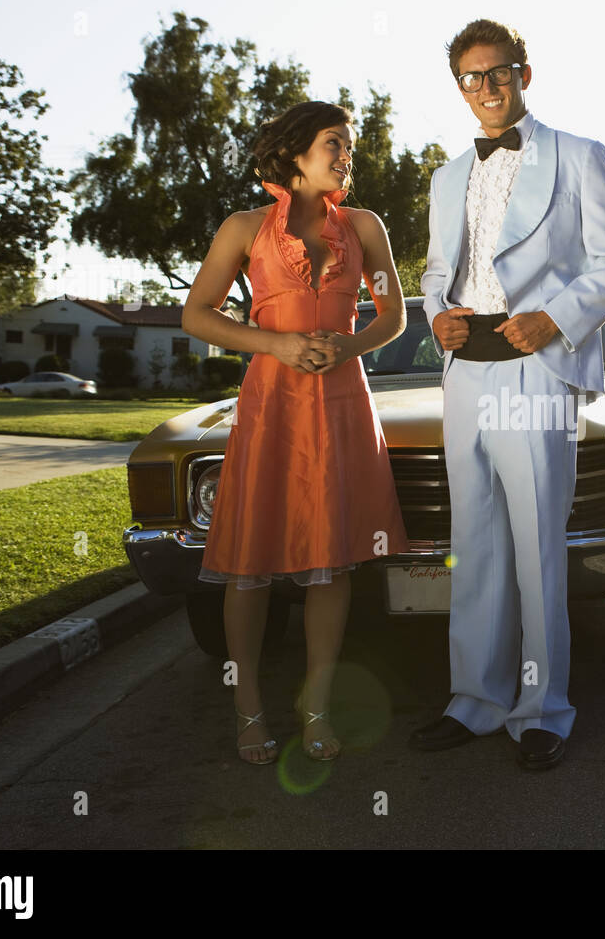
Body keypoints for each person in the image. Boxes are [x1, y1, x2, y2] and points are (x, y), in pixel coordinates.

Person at [414, 20, 605, 770]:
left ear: (525, 73)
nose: (486, 87)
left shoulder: (579, 156)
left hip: (537, 369)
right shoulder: (447, 176)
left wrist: (556, 318)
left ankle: (543, 707)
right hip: (465, 374)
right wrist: (435, 313)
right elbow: (435, 269)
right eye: (472, 77)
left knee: (537, 545)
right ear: (460, 87)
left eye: (498, 71)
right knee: (474, 545)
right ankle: (474, 699)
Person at [182, 101, 409, 765]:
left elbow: (392, 315)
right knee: (248, 563)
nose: (346, 155)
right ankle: (248, 709)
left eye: (349, 145)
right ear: (295, 155)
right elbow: (197, 314)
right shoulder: (243, 228)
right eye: (334, 143)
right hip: (271, 401)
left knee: (327, 562)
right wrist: (273, 343)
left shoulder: (365, 226)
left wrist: (347, 347)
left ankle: (315, 708)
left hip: (340, 400)